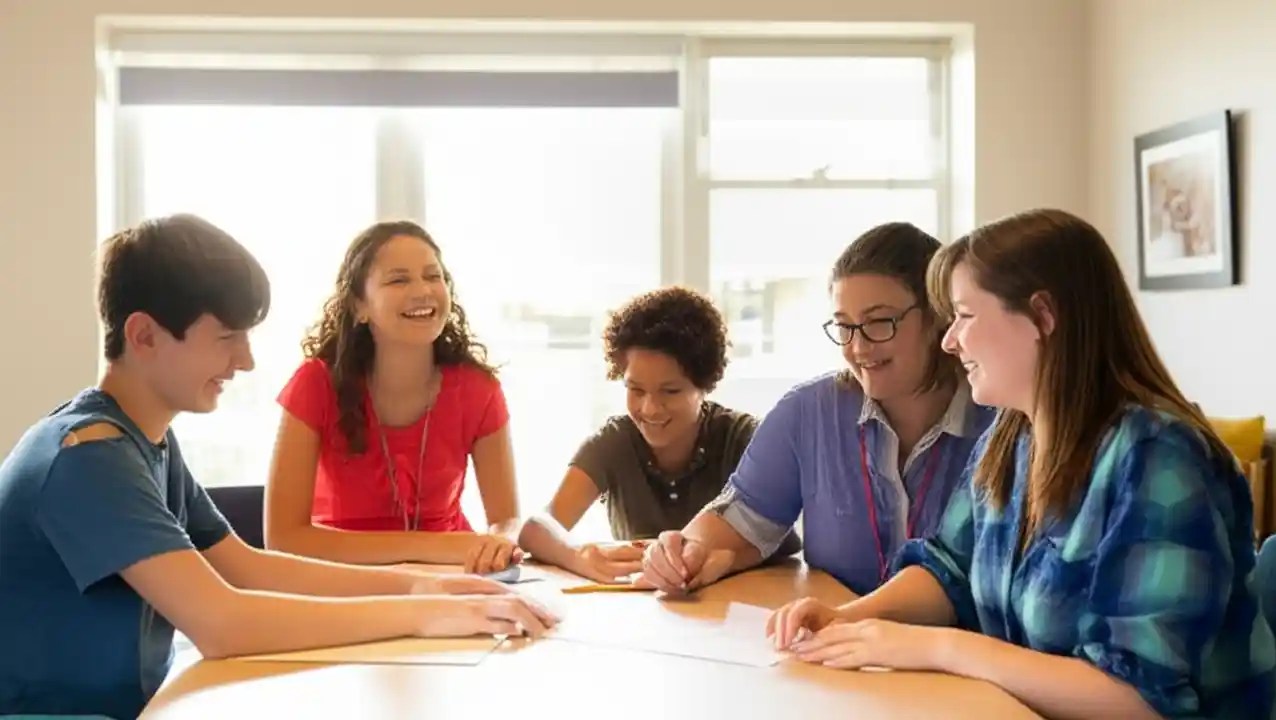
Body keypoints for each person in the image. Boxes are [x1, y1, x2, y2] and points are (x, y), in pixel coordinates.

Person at [0, 215, 556, 719]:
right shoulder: (89, 457)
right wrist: (423, 614)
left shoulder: (144, 442)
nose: (245, 361)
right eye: (227, 338)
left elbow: (250, 568)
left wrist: (425, 588)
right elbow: (223, 623)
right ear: (144, 336)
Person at [767, 209, 1274, 720]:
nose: (949, 340)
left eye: (964, 316)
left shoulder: (1161, 458)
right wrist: (847, 620)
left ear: (1042, 317)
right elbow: (949, 569)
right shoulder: (1011, 436)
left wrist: (939, 648)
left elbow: (1139, 698)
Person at [641, 223, 993, 595]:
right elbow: (741, 521)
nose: (858, 347)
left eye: (878, 322)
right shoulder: (808, 412)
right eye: (844, 327)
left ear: (937, 316)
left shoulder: (1002, 419)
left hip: (953, 636)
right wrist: (684, 553)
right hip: (835, 630)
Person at [266, 220, 521, 575]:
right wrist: (432, 546)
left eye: (433, 276)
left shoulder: (479, 389)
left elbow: (506, 520)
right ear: (359, 306)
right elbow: (283, 539)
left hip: (447, 577)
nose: (423, 291)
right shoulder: (315, 384)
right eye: (399, 280)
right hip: (342, 580)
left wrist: (499, 541)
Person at [518, 287, 758, 582]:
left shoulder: (744, 439)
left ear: (704, 386)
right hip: (647, 602)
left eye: (670, 391)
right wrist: (577, 554)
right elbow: (538, 526)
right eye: (636, 390)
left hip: (743, 600)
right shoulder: (613, 442)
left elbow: (780, 537)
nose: (650, 408)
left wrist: (726, 558)